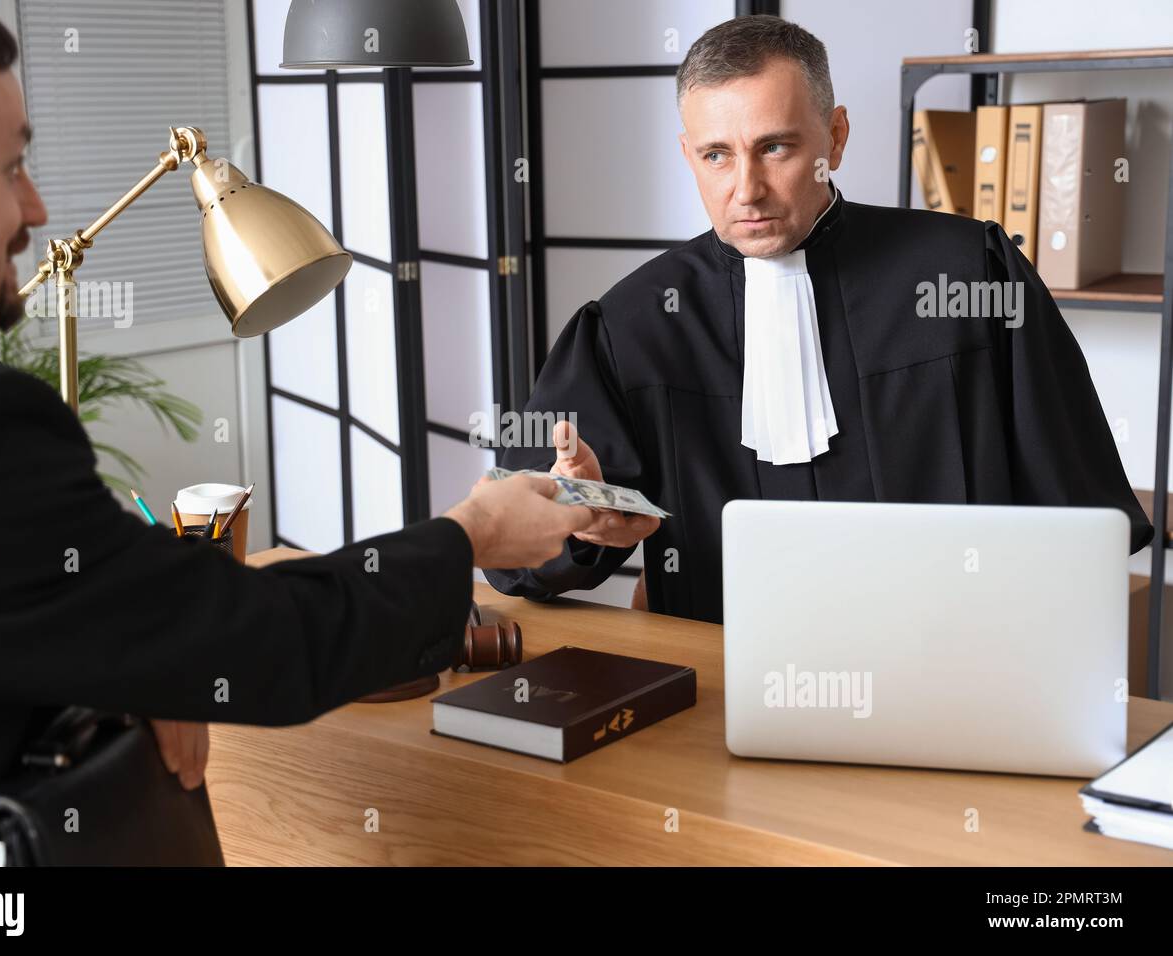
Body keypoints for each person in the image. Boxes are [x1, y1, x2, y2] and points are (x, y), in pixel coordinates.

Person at [0, 0, 598, 857]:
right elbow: (265, 638)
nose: (33, 210)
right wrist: (468, 534)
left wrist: (127, 655)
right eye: (12, 167)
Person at [485, 14, 1152, 623]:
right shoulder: (632, 324)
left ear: (835, 135)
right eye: (717, 154)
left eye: (775, 147)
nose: (746, 189)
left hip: (954, 662)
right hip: (723, 682)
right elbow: (511, 562)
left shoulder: (968, 273)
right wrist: (578, 522)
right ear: (689, 156)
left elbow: (1082, 515)